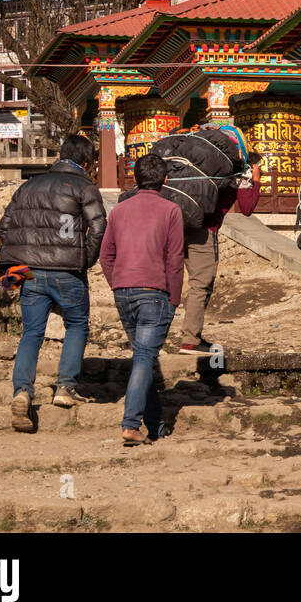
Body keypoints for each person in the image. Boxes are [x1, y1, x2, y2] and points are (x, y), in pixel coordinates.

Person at [0, 134, 107, 433]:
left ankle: (22, 391)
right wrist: (86, 259)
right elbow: (98, 225)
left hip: (28, 271)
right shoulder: (84, 187)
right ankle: (65, 388)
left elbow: (5, 225)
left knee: (32, 332)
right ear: (86, 162)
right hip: (67, 271)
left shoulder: (28, 186)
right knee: (77, 325)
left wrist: (17, 263)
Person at [99, 153, 185, 446]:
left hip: (124, 292)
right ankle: (130, 424)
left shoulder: (119, 211)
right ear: (165, 179)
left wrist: (117, 282)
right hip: (155, 293)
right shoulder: (172, 210)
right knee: (145, 357)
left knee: (143, 359)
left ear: (134, 179)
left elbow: (105, 255)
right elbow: (175, 259)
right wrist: (174, 297)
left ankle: (155, 423)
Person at [179, 131, 261, 355]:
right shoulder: (240, 170)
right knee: (201, 283)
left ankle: (154, 335)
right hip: (203, 231)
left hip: (172, 223)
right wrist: (255, 178)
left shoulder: (193, 165)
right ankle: (190, 340)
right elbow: (247, 208)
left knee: (170, 280)